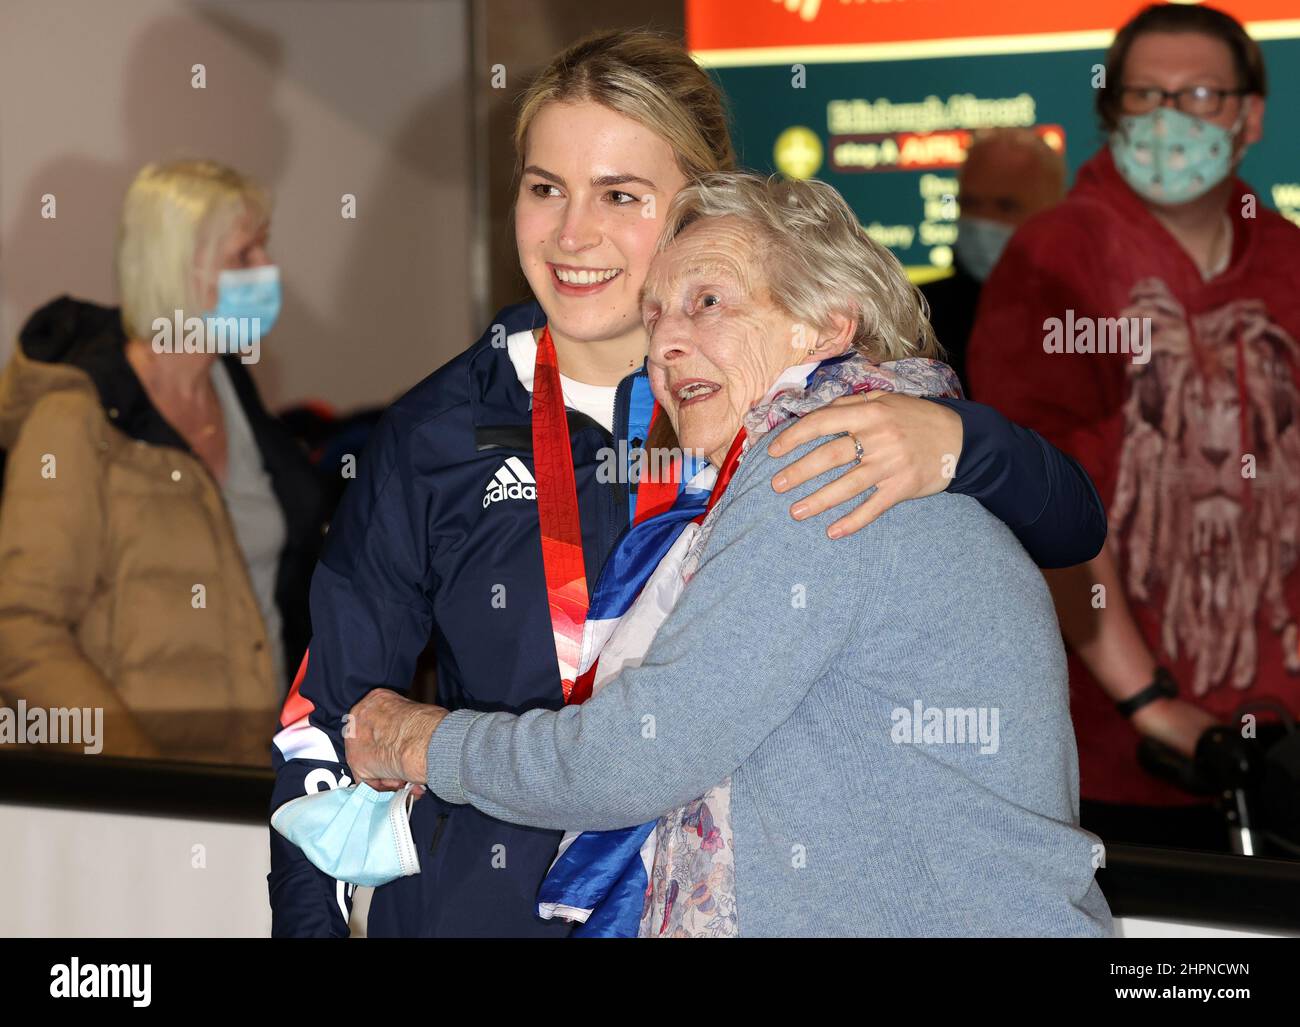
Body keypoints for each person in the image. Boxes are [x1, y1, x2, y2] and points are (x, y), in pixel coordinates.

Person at [269, 29, 1106, 938]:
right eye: (544, 188)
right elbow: (330, 714)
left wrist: (960, 439)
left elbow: (1070, 524)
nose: (571, 232)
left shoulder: (797, 424)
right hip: (484, 905)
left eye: (619, 195)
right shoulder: (438, 429)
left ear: (696, 205)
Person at [966, 4, 1300, 848]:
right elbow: (1034, 499)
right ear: (1111, 115)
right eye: (1144, 97)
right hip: (1122, 756)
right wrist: (1150, 703)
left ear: (1250, 116)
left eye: (1198, 95)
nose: (1168, 121)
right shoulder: (1055, 258)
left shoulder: (1289, 260)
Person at [0, 159, 323, 764]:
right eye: (243, 256)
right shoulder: (76, 420)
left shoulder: (238, 402)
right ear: (177, 270)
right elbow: (21, 628)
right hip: (140, 800)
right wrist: (138, 771)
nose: (268, 272)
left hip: (255, 781)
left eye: (265, 249)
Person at [920, 128, 1065, 393]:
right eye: (971, 203)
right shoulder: (917, 316)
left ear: (1052, 211)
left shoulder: (1087, 315)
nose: (983, 220)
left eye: (1006, 206)